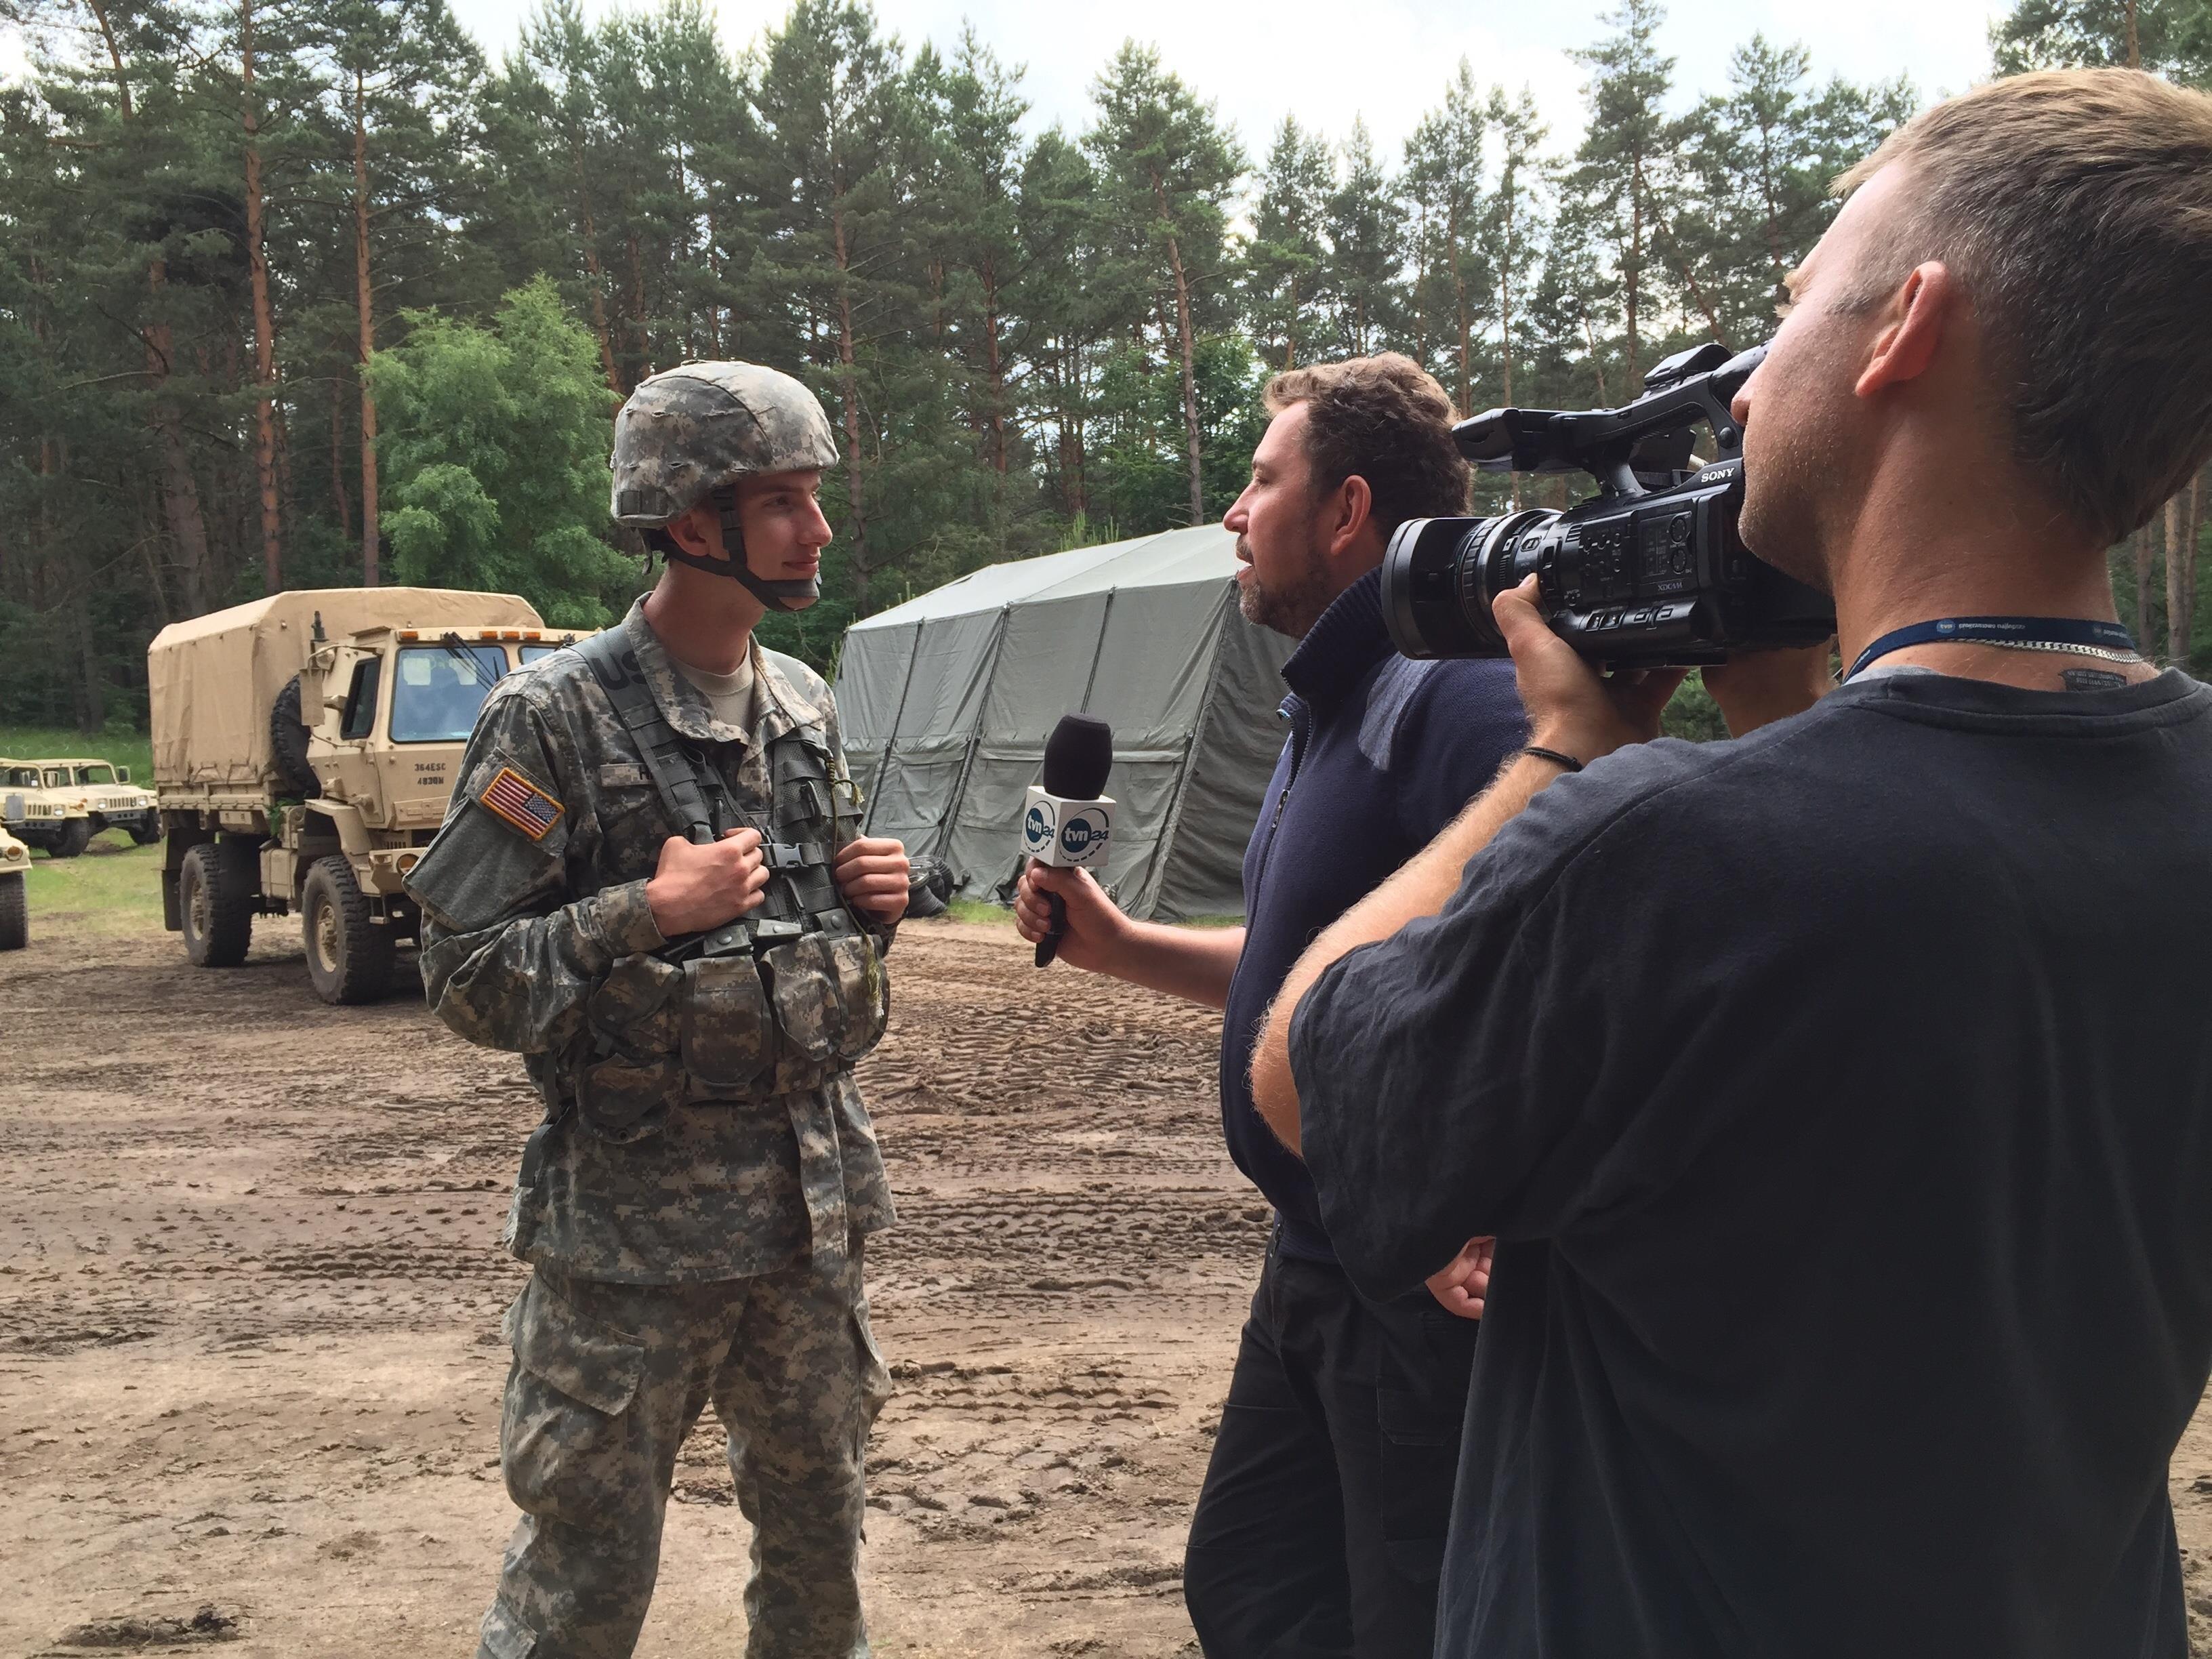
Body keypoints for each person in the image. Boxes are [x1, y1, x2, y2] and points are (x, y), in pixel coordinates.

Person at [1248, 68, 2212, 1658]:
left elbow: (1305, 1081)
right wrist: (1784, 710)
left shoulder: (1659, 854)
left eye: (1790, 310)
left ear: (1906, 325)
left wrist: (1560, 757)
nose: (1746, 396)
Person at [1015, 354, 1526, 1658]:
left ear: (1347, 510)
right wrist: (1120, 944)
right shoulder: (1335, 700)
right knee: (1250, 1590)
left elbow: (1562, 958)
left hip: (1411, 1294)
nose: (1235, 514)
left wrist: (1501, 1208)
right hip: (1308, 1262)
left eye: (1260, 480)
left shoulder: (1462, 697)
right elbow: (1311, 967)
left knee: (1402, 1625)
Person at [405, 361, 914, 1659]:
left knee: (822, 1570)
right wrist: (642, 910)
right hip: (629, 1251)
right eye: (787, 501)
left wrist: (875, 898)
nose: (819, 528)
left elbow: (806, 942)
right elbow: (462, 974)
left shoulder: (802, 702)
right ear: (694, 524)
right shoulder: (550, 721)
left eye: (814, 498)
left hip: (808, 1227)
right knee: (580, 1590)